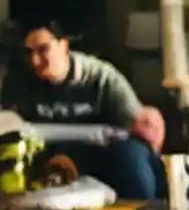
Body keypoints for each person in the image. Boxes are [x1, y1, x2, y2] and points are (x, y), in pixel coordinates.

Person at [1, 18, 165, 199]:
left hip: (100, 153)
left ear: (63, 45)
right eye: (28, 52)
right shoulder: (18, 82)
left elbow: (136, 127)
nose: (35, 60)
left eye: (43, 50)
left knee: (133, 156)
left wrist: (147, 125)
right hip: (43, 153)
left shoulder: (102, 78)